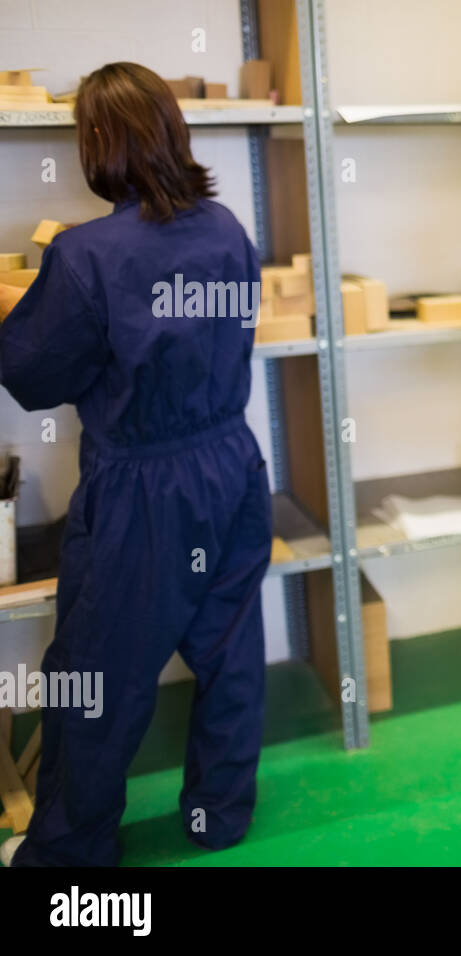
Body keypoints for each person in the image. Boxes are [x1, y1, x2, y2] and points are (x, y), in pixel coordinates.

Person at [0, 62, 271, 866]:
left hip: (142, 492)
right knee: (230, 650)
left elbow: (31, 376)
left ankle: (66, 856)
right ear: (172, 134)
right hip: (231, 464)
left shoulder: (85, 256)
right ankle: (219, 816)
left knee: (95, 675)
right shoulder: (225, 228)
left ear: (96, 145)